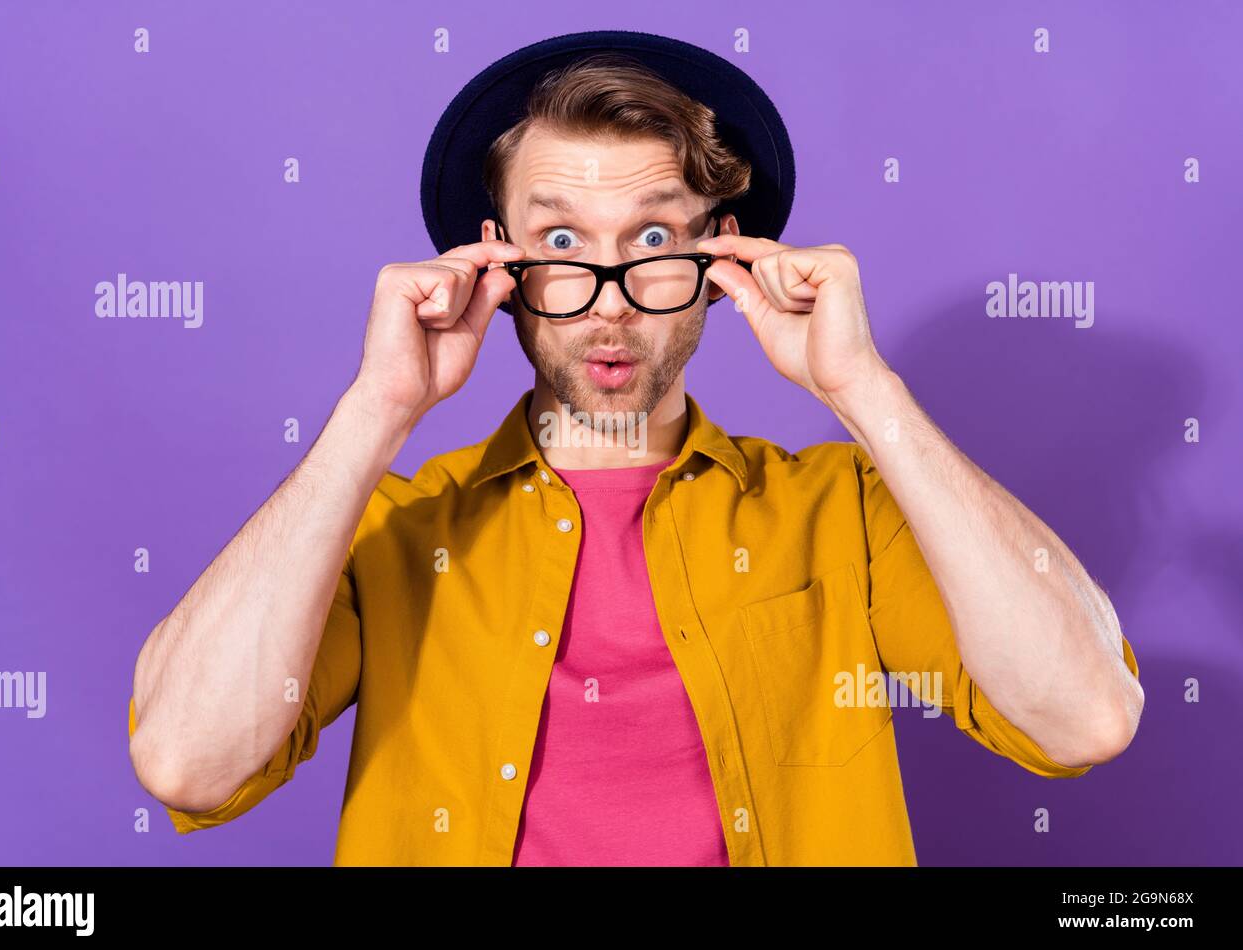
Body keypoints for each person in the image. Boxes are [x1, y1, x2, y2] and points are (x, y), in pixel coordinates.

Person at [127, 32, 1143, 866]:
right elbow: (187, 760)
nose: (608, 303)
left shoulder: (844, 511)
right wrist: (375, 410)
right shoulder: (391, 527)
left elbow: (1083, 717)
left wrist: (864, 391)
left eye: (653, 241)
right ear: (498, 262)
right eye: (562, 244)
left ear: (719, 259)